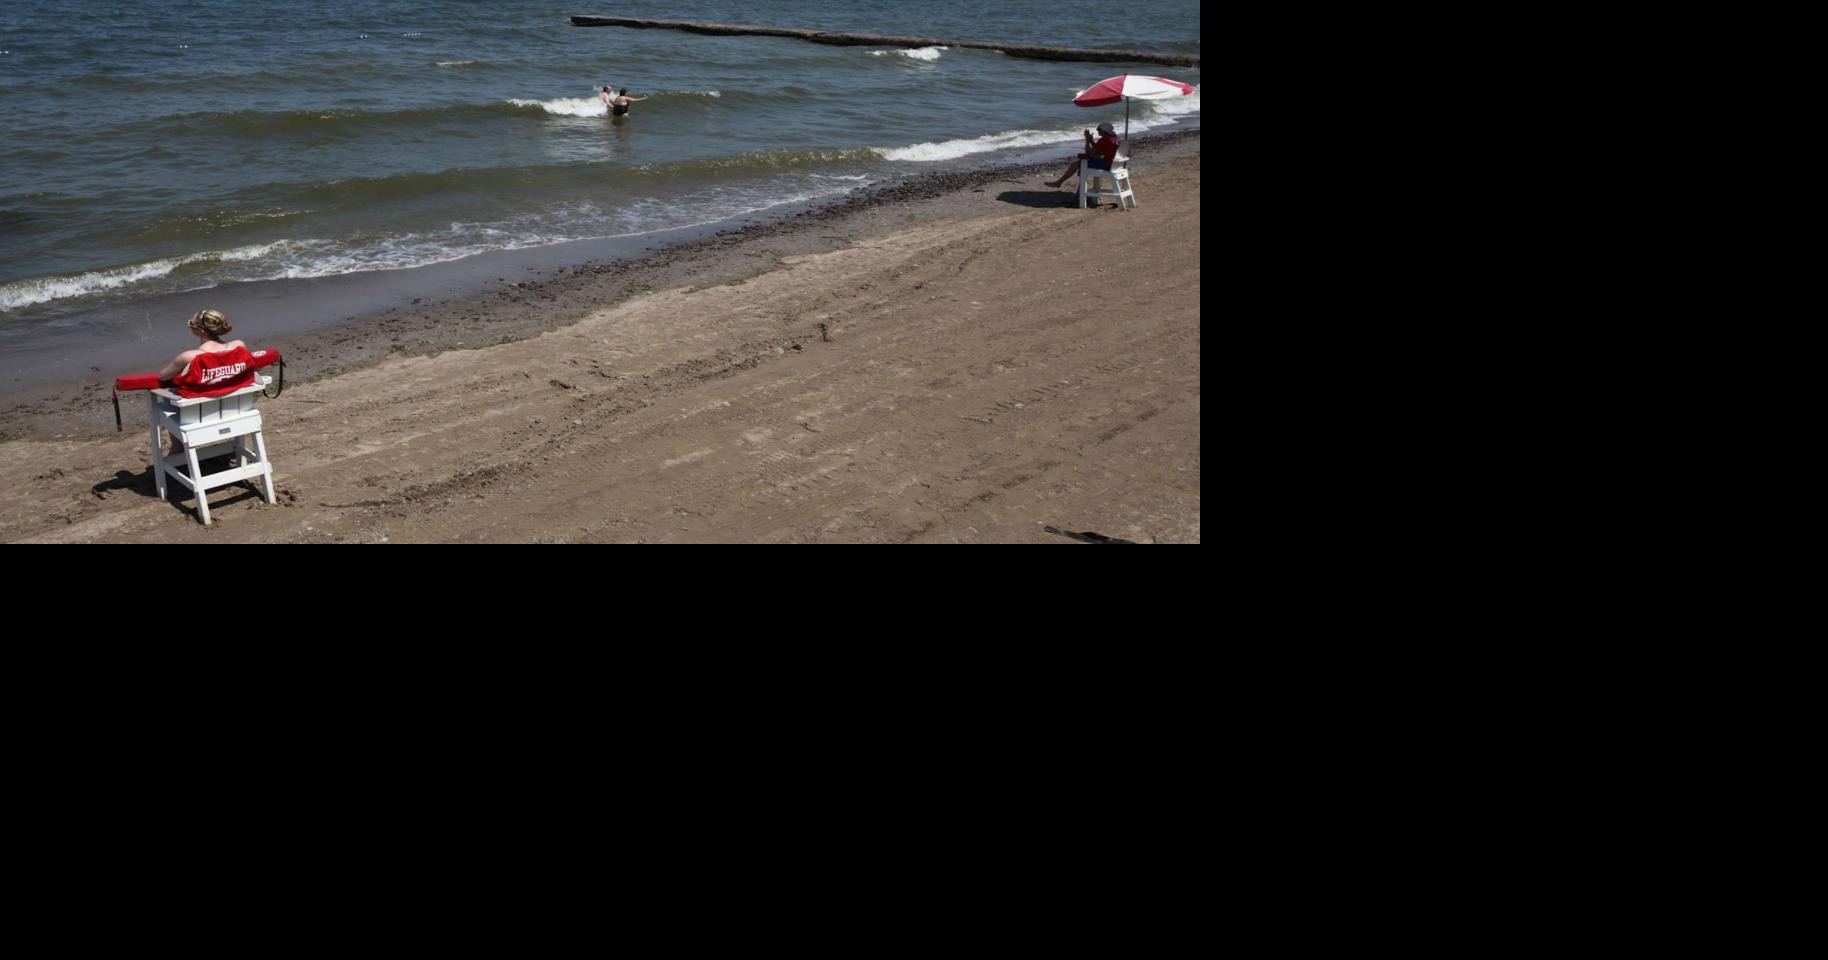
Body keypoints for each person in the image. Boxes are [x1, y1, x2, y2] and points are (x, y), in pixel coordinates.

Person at [155, 309, 248, 457]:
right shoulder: (238, 346)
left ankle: (177, 445)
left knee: (171, 391)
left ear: (200, 331)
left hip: (198, 419)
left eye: (190, 324)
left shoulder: (190, 357)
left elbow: (163, 376)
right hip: (235, 412)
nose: (189, 326)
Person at [1046, 122, 1120, 189]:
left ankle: (1060, 183)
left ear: (1103, 131)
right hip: (1114, 165)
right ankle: (1079, 190)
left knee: (1076, 164)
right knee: (1082, 163)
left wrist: (1087, 141)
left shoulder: (1104, 140)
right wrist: (1091, 141)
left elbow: (1089, 154)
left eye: (1099, 130)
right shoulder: (1115, 138)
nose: (1098, 132)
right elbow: (1100, 150)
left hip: (1106, 166)